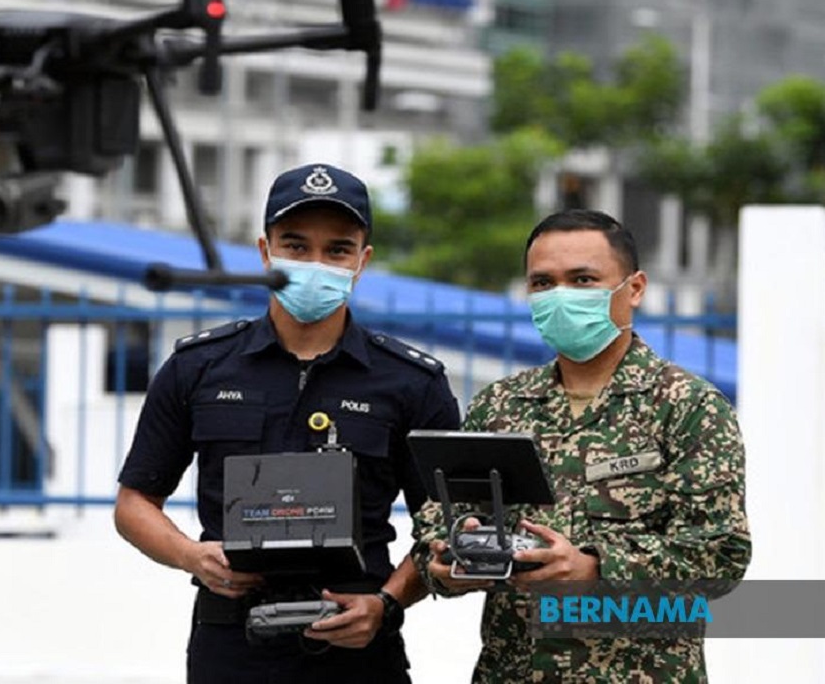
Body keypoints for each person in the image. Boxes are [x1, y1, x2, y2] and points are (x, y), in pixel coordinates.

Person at [115, 163, 461, 683]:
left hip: (359, 650)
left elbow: (446, 524)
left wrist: (387, 603)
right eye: (296, 247)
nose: (315, 263)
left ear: (362, 261)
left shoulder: (412, 382)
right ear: (264, 252)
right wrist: (191, 556)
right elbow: (134, 503)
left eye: (337, 250)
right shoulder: (198, 367)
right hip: (231, 645)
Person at [410, 209, 751, 682]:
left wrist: (593, 567)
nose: (561, 297)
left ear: (633, 288)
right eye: (543, 283)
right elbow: (438, 519)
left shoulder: (687, 406)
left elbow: (720, 553)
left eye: (583, 279)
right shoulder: (501, 405)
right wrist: (444, 560)